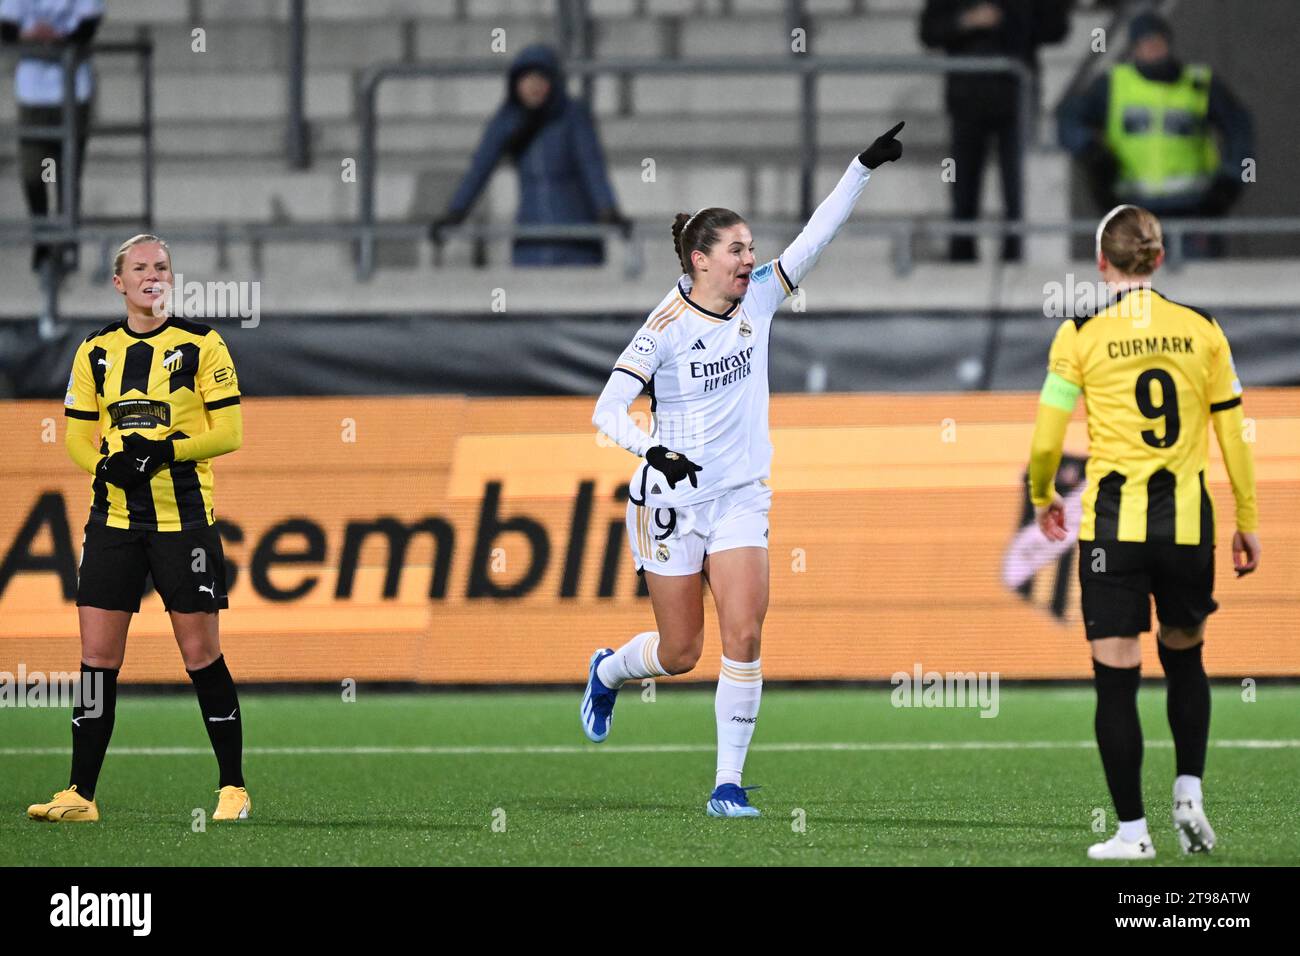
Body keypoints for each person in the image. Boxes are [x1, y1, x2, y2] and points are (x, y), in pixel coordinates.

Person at [581, 123, 905, 818]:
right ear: (699, 260)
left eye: (752, 249)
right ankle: (608, 670)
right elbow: (606, 412)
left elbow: (813, 241)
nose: (750, 260)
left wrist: (861, 167)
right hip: (670, 503)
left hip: (739, 499)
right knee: (679, 653)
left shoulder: (757, 297)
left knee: (747, 635)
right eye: (736, 250)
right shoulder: (663, 327)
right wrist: (652, 449)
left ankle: (727, 784)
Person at [1028, 204, 1260, 859]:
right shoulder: (1203, 330)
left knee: (1116, 682)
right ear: (1158, 260)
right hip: (1189, 529)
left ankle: (1132, 833)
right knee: (1186, 658)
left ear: (1101, 264)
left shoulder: (1079, 334)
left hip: (1113, 535)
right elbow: (1234, 435)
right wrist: (1247, 520)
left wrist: (1042, 495)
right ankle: (1188, 788)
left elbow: (1047, 440)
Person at [27, 234, 249, 823]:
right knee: (97, 658)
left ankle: (233, 788)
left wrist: (166, 452)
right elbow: (76, 435)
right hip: (113, 524)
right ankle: (80, 794)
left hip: (185, 526)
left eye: (163, 267)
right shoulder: (95, 351)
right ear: (118, 283)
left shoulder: (202, 344)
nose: (154, 275)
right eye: (141, 268)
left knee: (200, 653)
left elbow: (230, 433)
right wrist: (107, 464)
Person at [1056, 10, 1254, 258]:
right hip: (1132, 208)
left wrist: (1234, 178)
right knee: (1135, 291)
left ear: (1168, 44)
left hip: (1193, 209)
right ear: (1133, 49)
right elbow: (1068, 119)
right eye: (1144, 44)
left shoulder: (1199, 82)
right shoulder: (1114, 84)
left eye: (1157, 43)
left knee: (1196, 287)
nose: (1152, 50)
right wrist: (1091, 153)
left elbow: (1241, 128)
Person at [429, 43, 631, 267]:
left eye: (541, 78)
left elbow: (592, 166)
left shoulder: (572, 116)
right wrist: (456, 213)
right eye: (527, 79)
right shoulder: (507, 121)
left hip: (577, 242)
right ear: (515, 83)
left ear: (553, 82)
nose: (534, 86)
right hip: (531, 242)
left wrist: (607, 209)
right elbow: (479, 169)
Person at [920, 0, 1072, 261]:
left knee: (1018, 193)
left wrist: (1010, 20)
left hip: (1016, 100)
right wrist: (966, 21)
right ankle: (961, 261)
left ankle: (1016, 261)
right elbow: (929, 32)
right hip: (967, 99)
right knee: (963, 193)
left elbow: (1055, 28)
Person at [0, 0, 103, 273]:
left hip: (72, 85)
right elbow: (7, 26)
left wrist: (59, 39)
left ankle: (66, 239)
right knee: (34, 173)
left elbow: (88, 24)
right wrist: (30, 37)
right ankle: (43, 239)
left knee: (66, 175)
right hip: (33, 91)